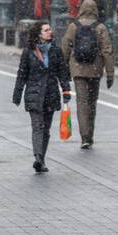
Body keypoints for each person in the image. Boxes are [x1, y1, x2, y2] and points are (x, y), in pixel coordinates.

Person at [13, 21, 73, 173]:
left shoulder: (56, 51)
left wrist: (66, 91)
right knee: (37, 127)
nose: (50, 32)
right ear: (39, 34)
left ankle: (42, 158)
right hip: (34, 94)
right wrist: (17, 94)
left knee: (45, 129)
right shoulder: (29, 51)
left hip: (51, 94)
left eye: (50, 29)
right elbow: (22, 74)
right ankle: (38, 158)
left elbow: (63, 73)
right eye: (46, 30)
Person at [61, 0, 114, 147]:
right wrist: (110, 73)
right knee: (92, 102)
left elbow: (65, 47)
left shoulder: (73, 26)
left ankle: (84, 137)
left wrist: (64, 67)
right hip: (95, 69)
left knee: (82, 103)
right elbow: (107, 51)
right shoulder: (100, 27)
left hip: (78, 69)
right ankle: (90, 134)